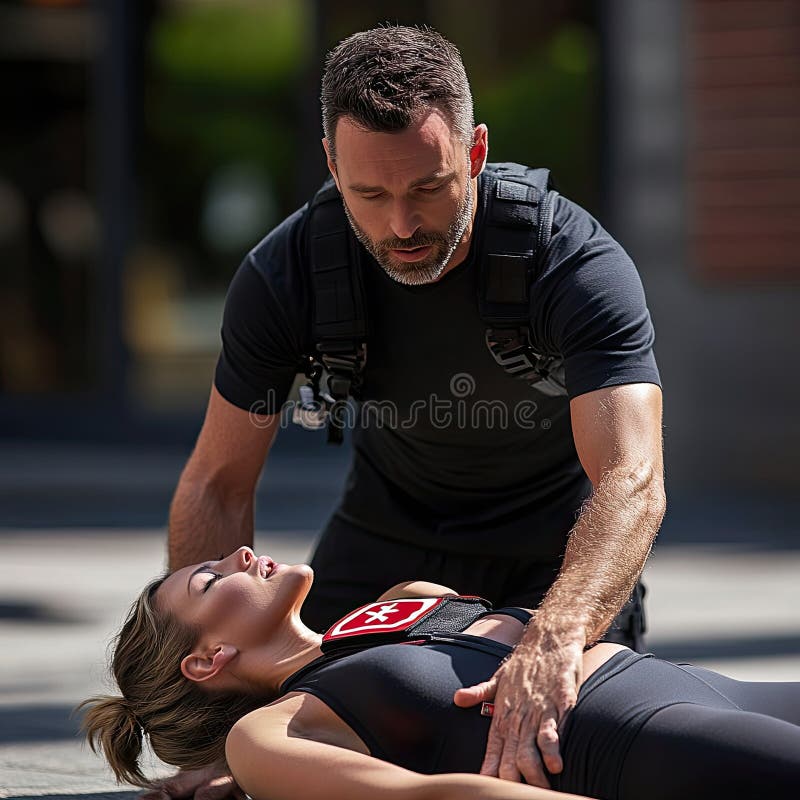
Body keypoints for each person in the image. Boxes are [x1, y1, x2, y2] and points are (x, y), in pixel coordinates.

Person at [167, 24, 666, 791]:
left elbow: (632, 478)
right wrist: (207, 733)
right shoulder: (287, 276)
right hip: (381, 546)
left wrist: (554, 637)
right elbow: (217, 485)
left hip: (557, 558)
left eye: (427, 188)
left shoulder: (570, 261)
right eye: (369, 194)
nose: (401, 225)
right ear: (332, 165)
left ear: (474, 154)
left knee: (546, 758)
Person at [82, 547, 800, 800]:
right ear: (207, 661)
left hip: (694, 683)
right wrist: (234, 765)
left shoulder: (400, 603)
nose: (238, 553)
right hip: (639, 746)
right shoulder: (269, 735)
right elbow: (432, 799)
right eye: (209, 581)